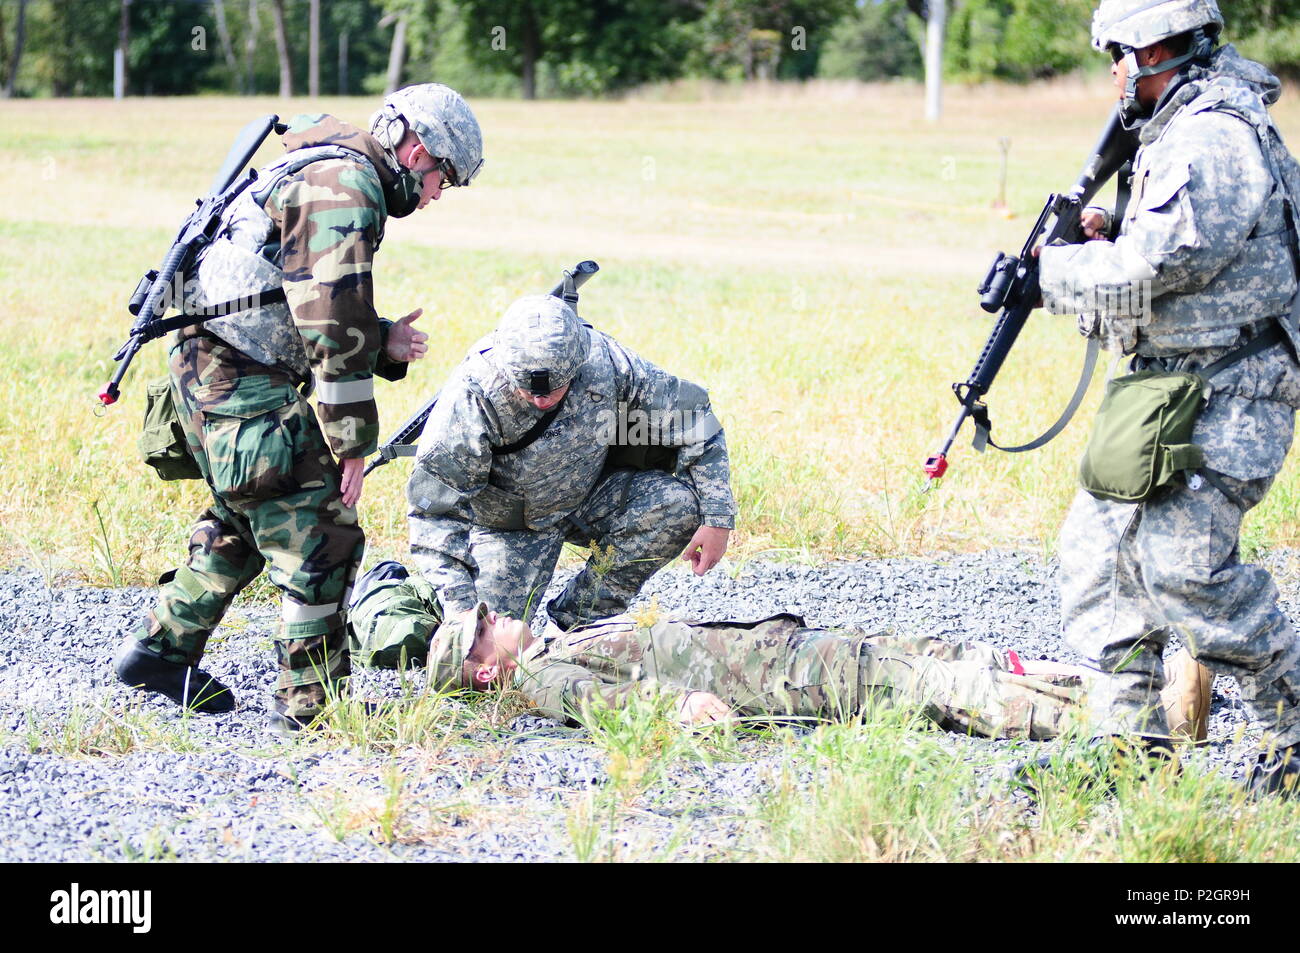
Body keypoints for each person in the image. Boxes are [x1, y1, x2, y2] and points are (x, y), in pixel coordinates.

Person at [113, 84, 484, 733]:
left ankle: (159, 651)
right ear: (419, 149)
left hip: (209, 370)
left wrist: (385, 336)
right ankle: (311, 708)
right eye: (442, 180)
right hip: (239, 381)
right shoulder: (347, 186)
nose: (435, 196)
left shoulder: (322, 166)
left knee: (246, 517)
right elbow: (332, 321)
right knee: (322, 534)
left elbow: (301, 295)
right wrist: (351, 443)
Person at [1034, 0, 1300, 795]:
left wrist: (1048, 273)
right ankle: (1133, 749)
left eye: (1115, 54)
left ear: (1150, 49)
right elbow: (1173, 237)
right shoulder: (1179, 125)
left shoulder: (1212, 134)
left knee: (1186, 574)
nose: (1111, 72)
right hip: (1168, 384)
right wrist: (1106, 223)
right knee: (1098, 565)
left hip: (1233, 387)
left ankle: (1295, 731)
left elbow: (1153, 268)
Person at [347, 561, 1209, 739]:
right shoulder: (541, 676)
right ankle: (1130, 720)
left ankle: (1109, 691)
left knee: (936, 649)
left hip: (772, 649)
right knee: (928, 682)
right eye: (485, 628)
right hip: (779, 676)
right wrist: (678, 708)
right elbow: (605, 702)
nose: (500, 618)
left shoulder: (545, 650)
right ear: (485, 667)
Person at [405, 292, 736, 634]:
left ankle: (581, 624)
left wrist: (718, 518)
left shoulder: (606, 362)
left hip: (588, 499)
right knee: (490, 642)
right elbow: (434, 514)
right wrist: (461, 613)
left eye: (554, 388)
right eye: (529, 392)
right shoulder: (473, 396)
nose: (541, 399)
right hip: (507, 528)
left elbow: (696, 421)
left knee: (675, 505)